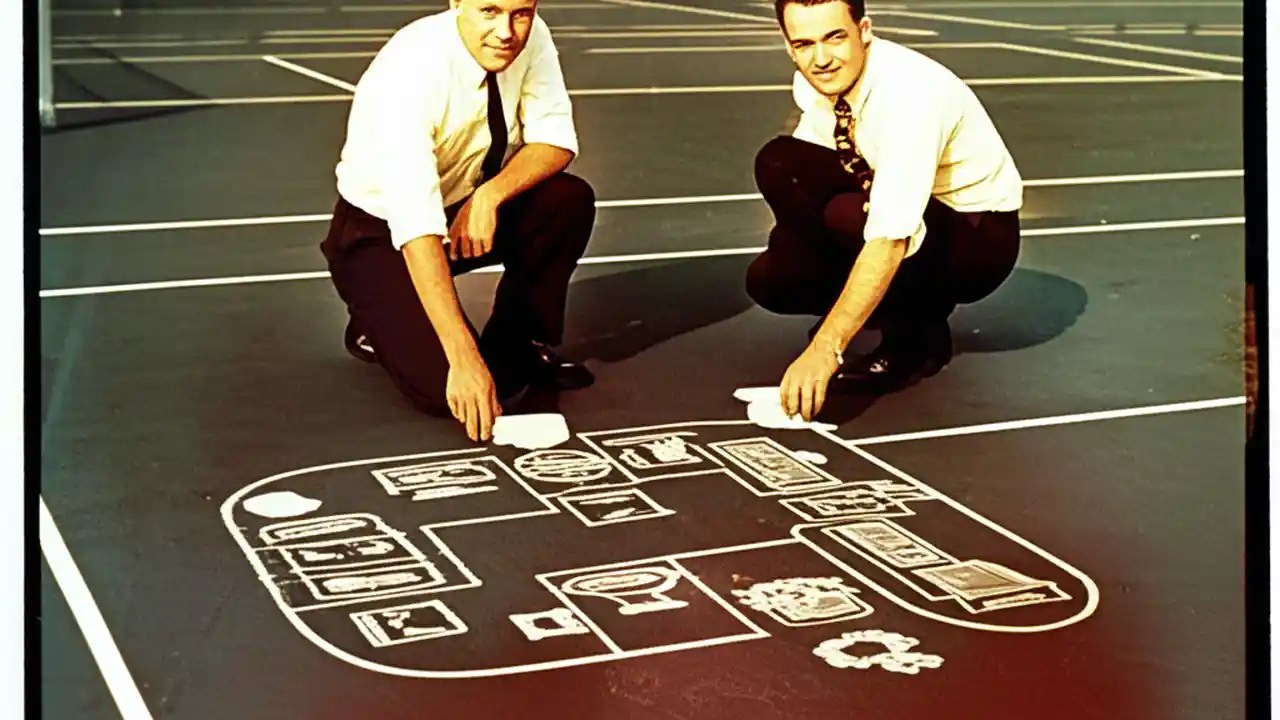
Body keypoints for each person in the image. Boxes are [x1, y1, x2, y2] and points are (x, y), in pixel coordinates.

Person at [320, 0, 596, 443]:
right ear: (457, 4)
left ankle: (521, 342)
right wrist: (465, 359)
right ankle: (375, 316)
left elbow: (556, 140)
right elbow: (416, 226)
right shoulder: (411, 69)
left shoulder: (532, 37)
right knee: (441, 390)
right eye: (489, 11)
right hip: (379, 234)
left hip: (465, 206)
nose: (506, 32)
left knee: (567, 200)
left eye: (520, 13)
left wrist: (490, 194)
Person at [748, 0, 1023, 421]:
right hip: (890, 204)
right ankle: (891, 307)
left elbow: (892, 233)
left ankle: (912, 339)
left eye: (834, 37)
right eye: (804, 44)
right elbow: (813, 168)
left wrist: (827, 345)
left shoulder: (909, 97)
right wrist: (796, 253)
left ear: (864, 31)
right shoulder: (819, 82)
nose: (821, 59)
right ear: (789, 47)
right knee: (775, 245)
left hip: (977, 238)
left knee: (849, 217)